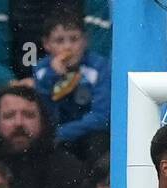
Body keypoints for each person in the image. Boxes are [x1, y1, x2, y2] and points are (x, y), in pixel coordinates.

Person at [32, 6, 111, 162]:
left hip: (87, 136)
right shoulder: (42, 70)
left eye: (74, 39)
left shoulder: (99, 67)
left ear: (85, 40)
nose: (67, 47)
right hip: (55, 137)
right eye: (59, 40)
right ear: (47, 44)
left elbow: (102, 116)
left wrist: (62, 133)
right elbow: (43, 111)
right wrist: (53, 76)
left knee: (98, 142)